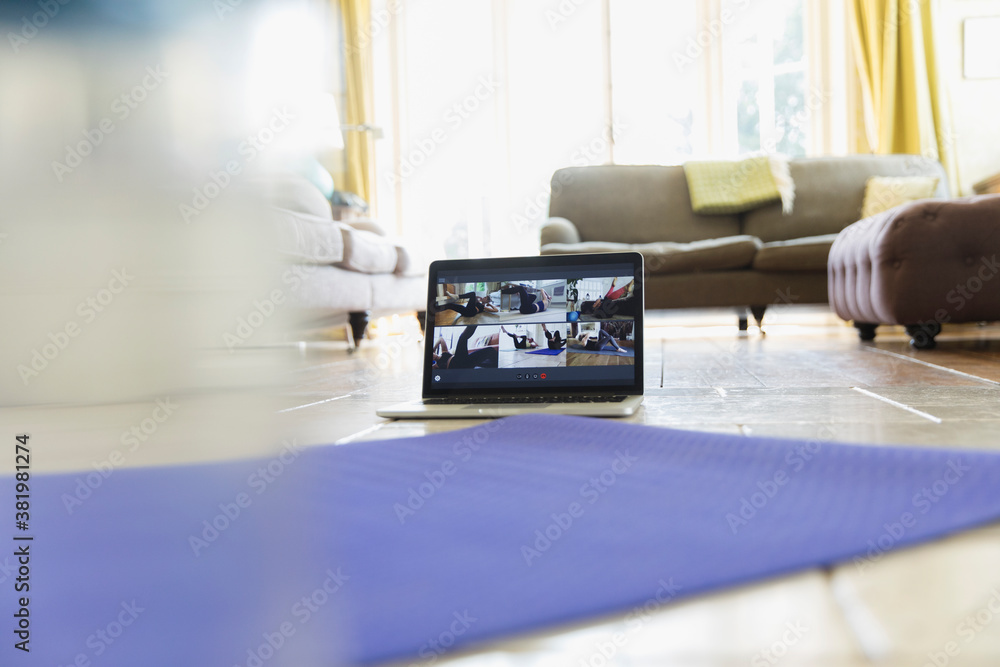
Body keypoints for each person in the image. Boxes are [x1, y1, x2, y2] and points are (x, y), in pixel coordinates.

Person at [431, 325, 498, 369]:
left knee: (490, 350)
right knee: (462, 337)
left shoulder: (444, 352)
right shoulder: (436, 366)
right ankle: (474, 323)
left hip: (464, 360)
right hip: (459, 366)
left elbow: (441, 339)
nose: (432, 356)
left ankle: (474, 322)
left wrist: (434, 348)